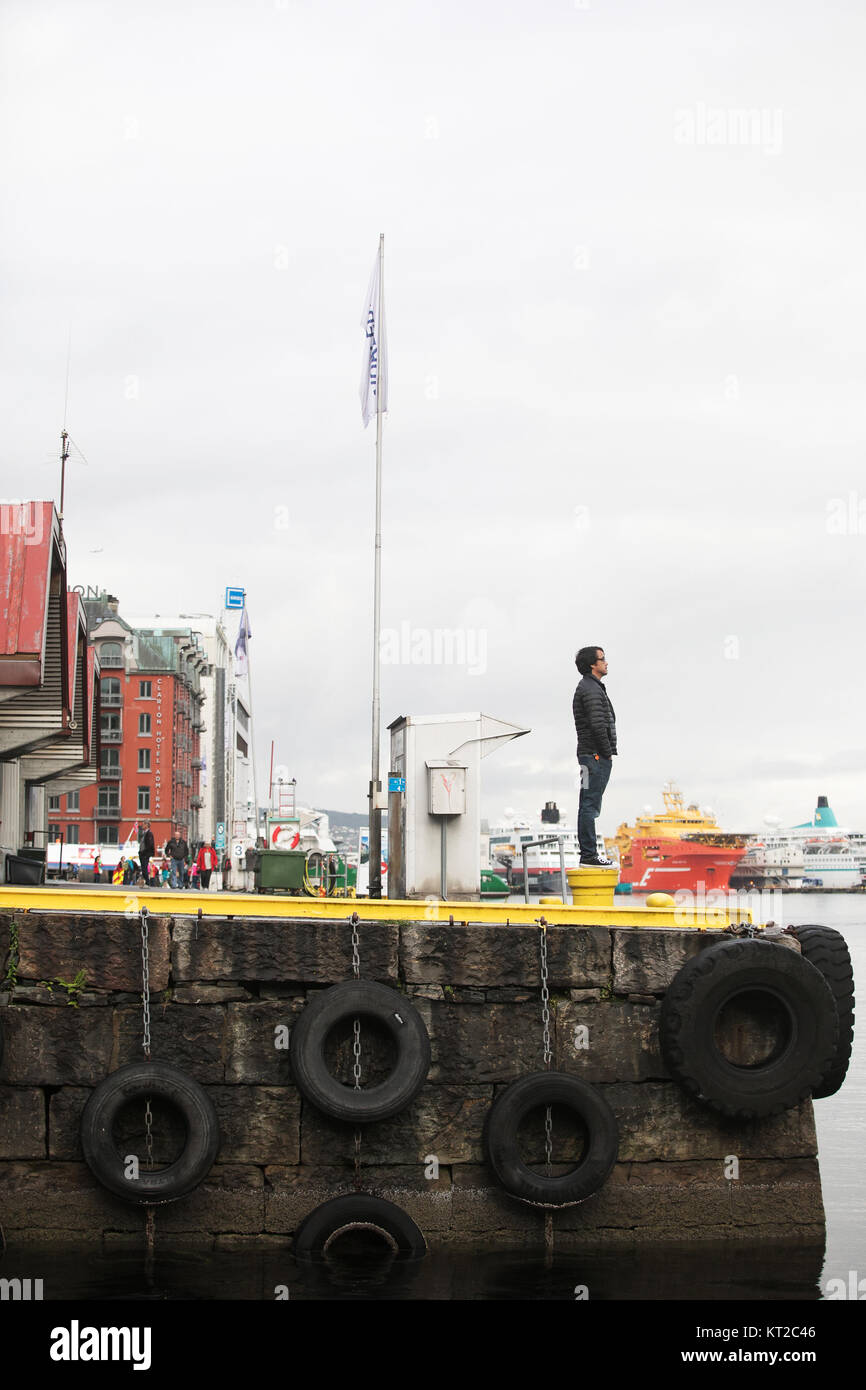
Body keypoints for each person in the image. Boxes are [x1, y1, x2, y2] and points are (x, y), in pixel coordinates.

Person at [572, 645, 617, 866]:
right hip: (594, 756)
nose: (606, 662)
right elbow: (598, 725)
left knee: (588, 804)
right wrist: (606, 754)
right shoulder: (590, 689)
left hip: (592, 755)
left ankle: (588, 854)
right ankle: (589, 856)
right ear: (593, 664)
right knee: (590, 804)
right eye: (603, 658)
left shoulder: (592, 687)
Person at [138, 821, 155, 887]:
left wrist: (144, 852)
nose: (142, 825)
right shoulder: (144, 833)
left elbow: (149, 844)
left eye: (143, 824)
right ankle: (145, 882)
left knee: (144, 868)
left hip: (145, 854)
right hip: (142, 853)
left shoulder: (149, 834)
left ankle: (147, 882)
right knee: (143, 868)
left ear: (147, 825)